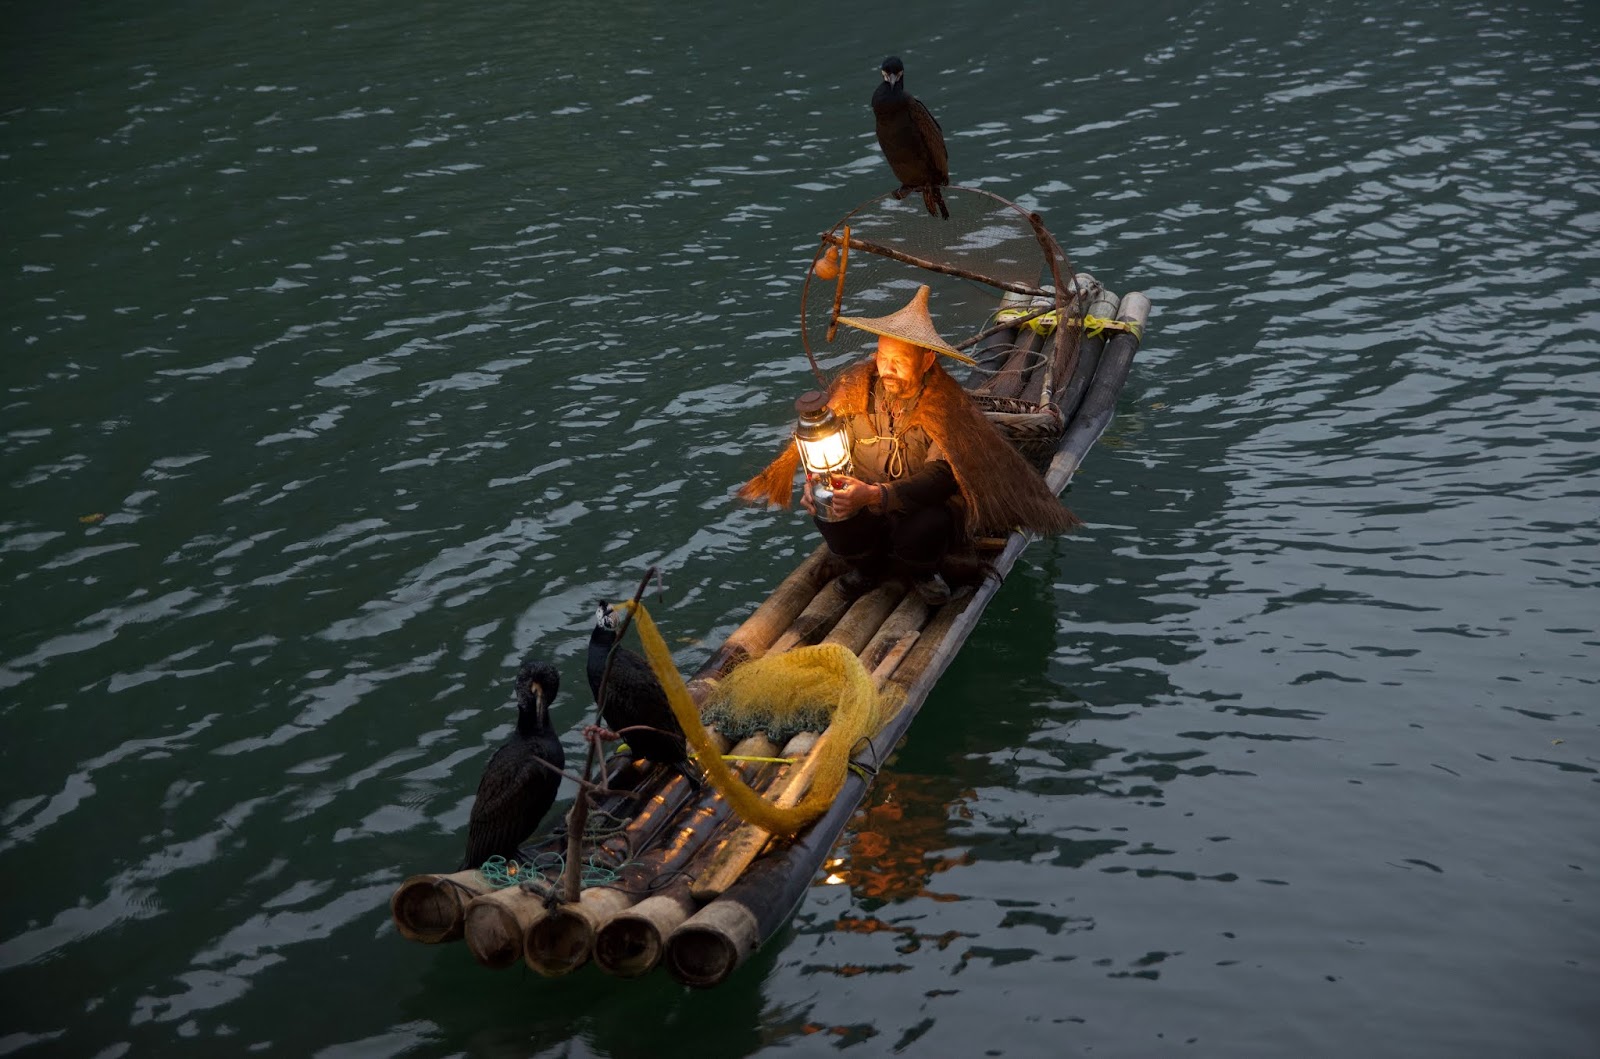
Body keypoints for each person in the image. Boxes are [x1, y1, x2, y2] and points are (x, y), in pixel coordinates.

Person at [738, 285, 1080, 605]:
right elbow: (826, 450)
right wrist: (818, 484)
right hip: (864, 506)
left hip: (918, 510)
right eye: (883, 358)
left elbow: (941, 476)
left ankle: (923, 572)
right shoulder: (854, 391)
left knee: (925, 526)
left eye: (899, 362)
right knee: (826, 510)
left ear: (927, 361)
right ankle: (868, 568)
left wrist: (876, 495)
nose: (888, 369)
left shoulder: (945, 405)